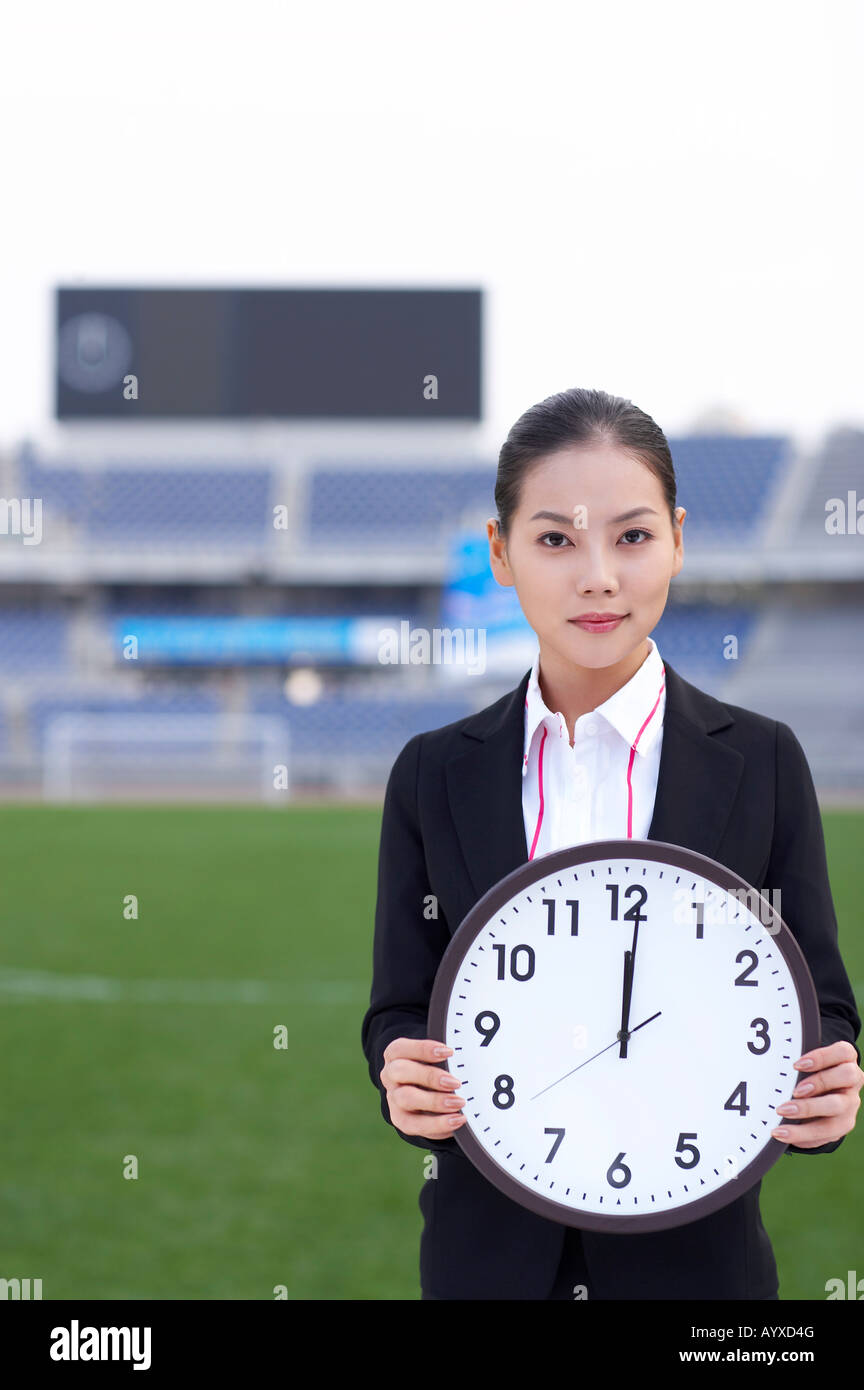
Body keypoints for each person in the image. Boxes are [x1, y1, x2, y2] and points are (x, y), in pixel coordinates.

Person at [360, 386, 863, 1300]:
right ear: (500, 552)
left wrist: (827, 1090)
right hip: (489, 1267)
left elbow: (819, 1007)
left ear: (677, 539)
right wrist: (402, 1080)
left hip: (698, 1275)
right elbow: (401, 1007)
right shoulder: (433, 772)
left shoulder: (764, 761)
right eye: (556, 540)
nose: (598, 577)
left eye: (632, 536)